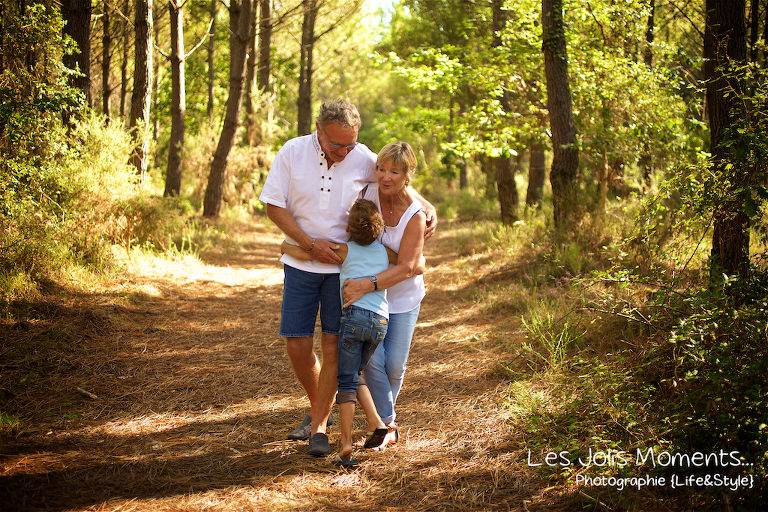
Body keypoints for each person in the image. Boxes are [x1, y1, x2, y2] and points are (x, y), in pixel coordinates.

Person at [259, 99, 436, 457]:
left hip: (346, 272)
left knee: (343, 348)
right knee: (297, 344)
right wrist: (306, 245)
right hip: (309, 265)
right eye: (337, 144)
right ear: (319, 132)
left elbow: (395, 174)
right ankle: (319, 410)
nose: (345, 151)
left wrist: (426, 205)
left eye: (350, 145)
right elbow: (273, 205)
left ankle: (336, 423)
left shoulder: (360, 156)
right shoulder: (292, 151)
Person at [282, 199, 390, 467]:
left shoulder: (344, 250)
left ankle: (344, 444)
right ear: (379, 228)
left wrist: (285, 247)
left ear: (348, 228)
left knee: (347, 380)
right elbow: (408, 261)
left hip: (354, 321)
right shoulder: (385, 253)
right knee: (354, 373)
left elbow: (310, 254)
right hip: (380, 324)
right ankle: (377, 422)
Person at [342, 141, 427, 451]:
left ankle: (382, 424)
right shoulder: (366, 195)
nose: (385, 176)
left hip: (404, 298)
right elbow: (406, 261)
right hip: (370, 302)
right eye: (381, 169)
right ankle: (387, 424)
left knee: (394, 366)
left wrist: (368, 281)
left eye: (394, 171)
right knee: (373, 364)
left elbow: (408, 268)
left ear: (407, 175)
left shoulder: (416, 215)